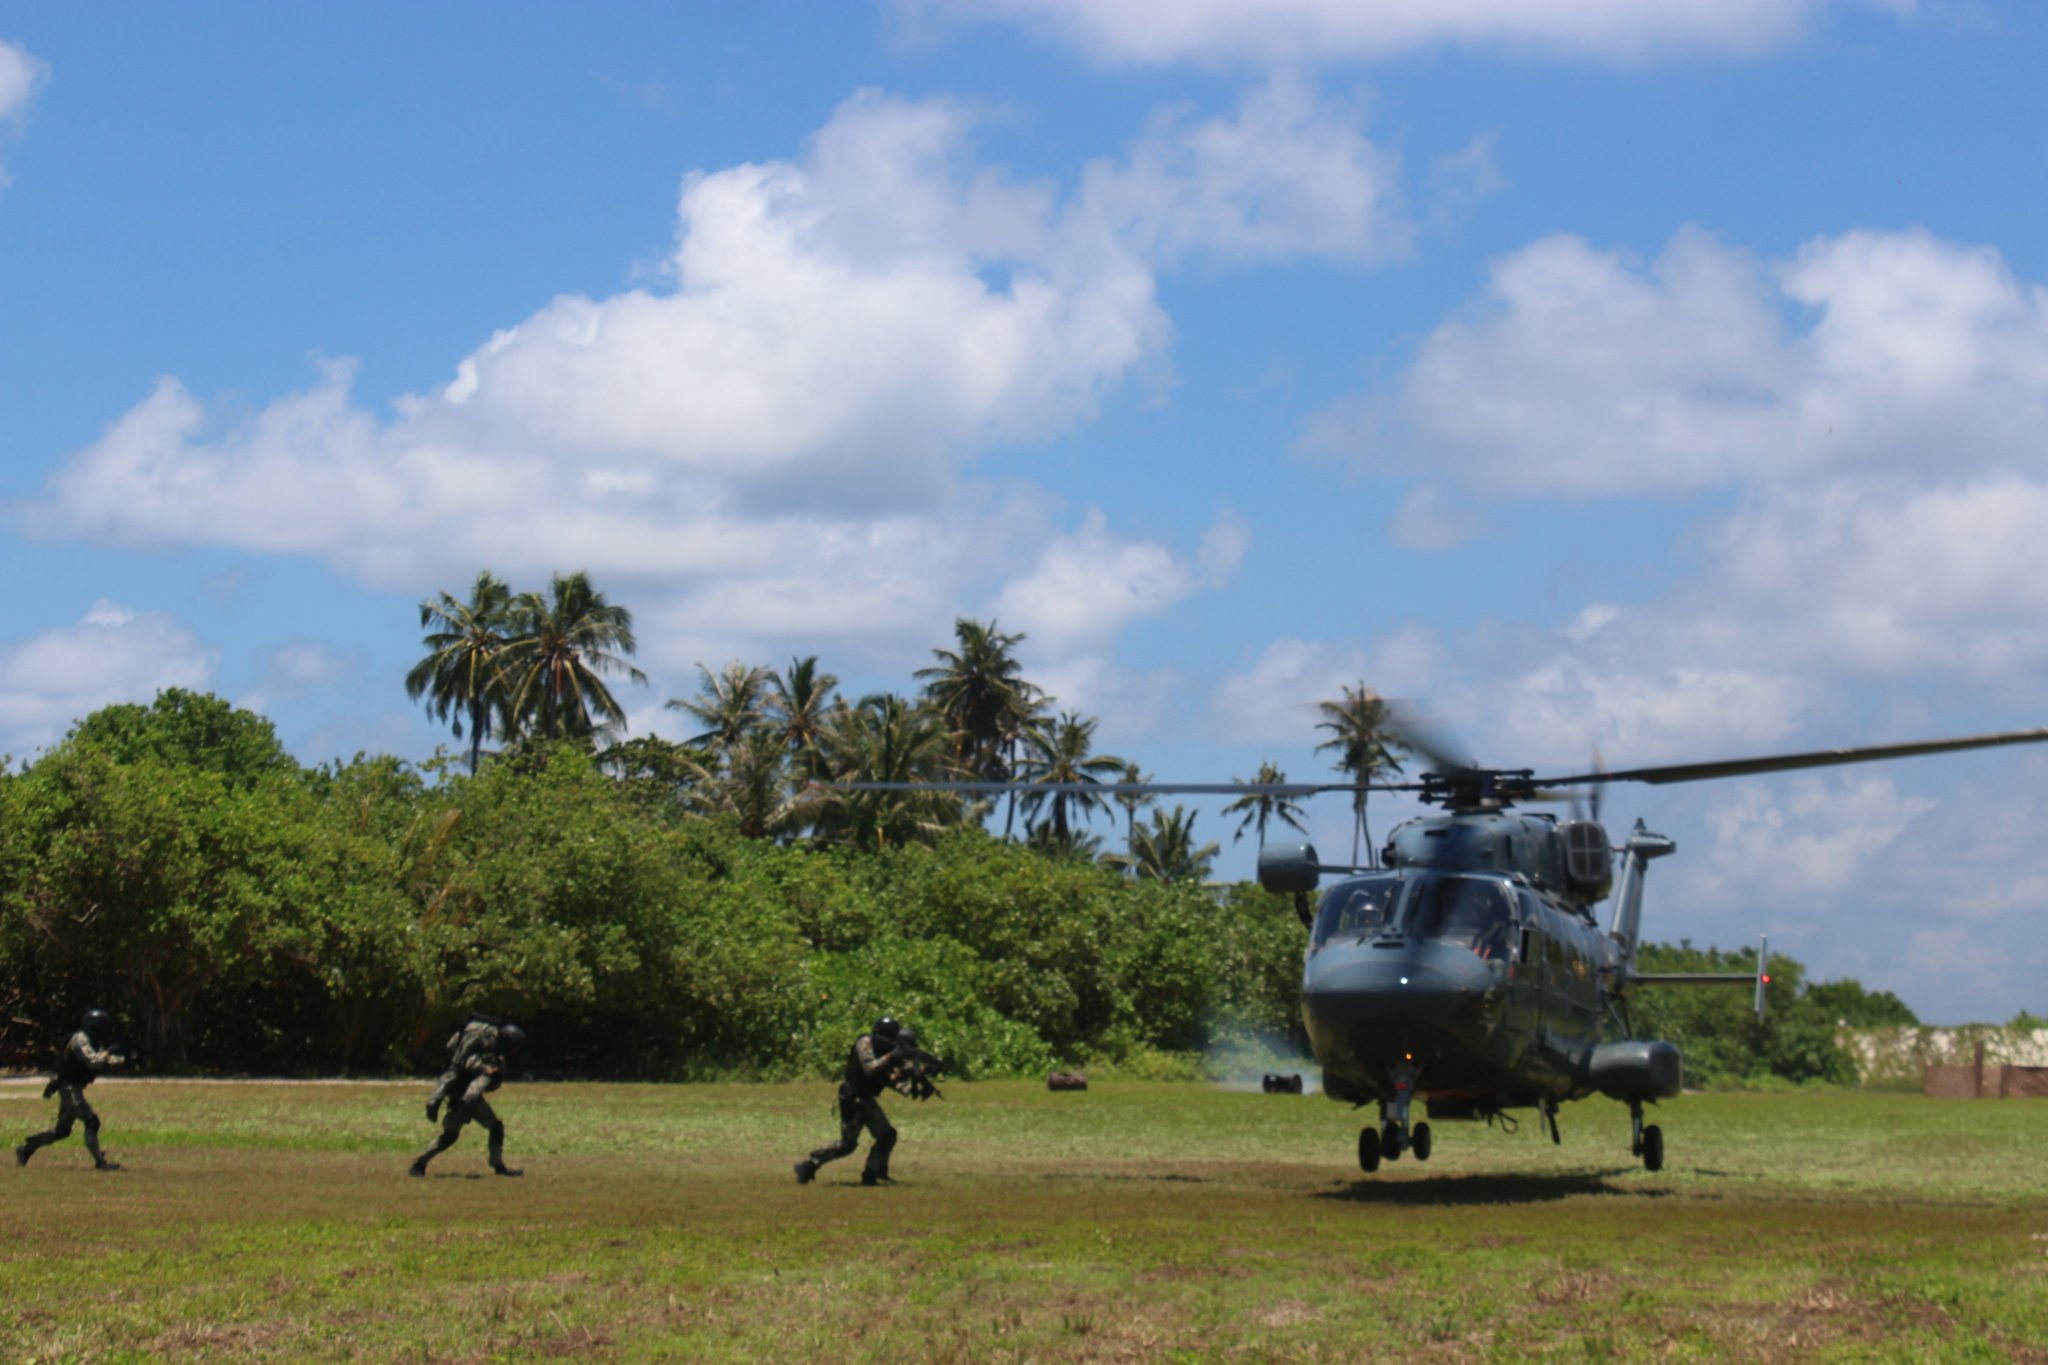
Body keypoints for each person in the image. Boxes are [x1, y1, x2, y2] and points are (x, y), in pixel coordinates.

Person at [794, 1015, 906, 1187]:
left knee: (885, 1136)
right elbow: (869, 1068)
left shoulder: (883, 1051)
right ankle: (810, 1166)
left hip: (864, 1099)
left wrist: (908, 1080)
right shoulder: (865, 1043)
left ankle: (873, 1173)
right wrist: (891, 1056)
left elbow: (886, 1077)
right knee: (850, 1144)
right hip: (854, 1098)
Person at [16, 1008, 130, 1171]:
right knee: (92, 1121)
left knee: (62, 1131)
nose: (105, 1031)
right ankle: (100, 1161)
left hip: (73, 1088)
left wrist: (125, 1060)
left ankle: (26, 1149)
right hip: (69, 1089)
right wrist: (109, 1053)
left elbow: (101, 1058)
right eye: (103, 1027)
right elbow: (93, 1060)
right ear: (95, 1026)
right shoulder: (80, 1039)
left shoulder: (90, 1039)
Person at [410, 1020, 524, 1178]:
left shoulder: (488, 1052)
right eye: (513, 1047)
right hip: (467, 1099)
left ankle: (419, 1164)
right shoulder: (484, 1054)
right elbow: (469, 1066)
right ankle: (497, 1166)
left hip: (465, 1098)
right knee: (486, 1129)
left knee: (452, 1135)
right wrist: (489, 1070)